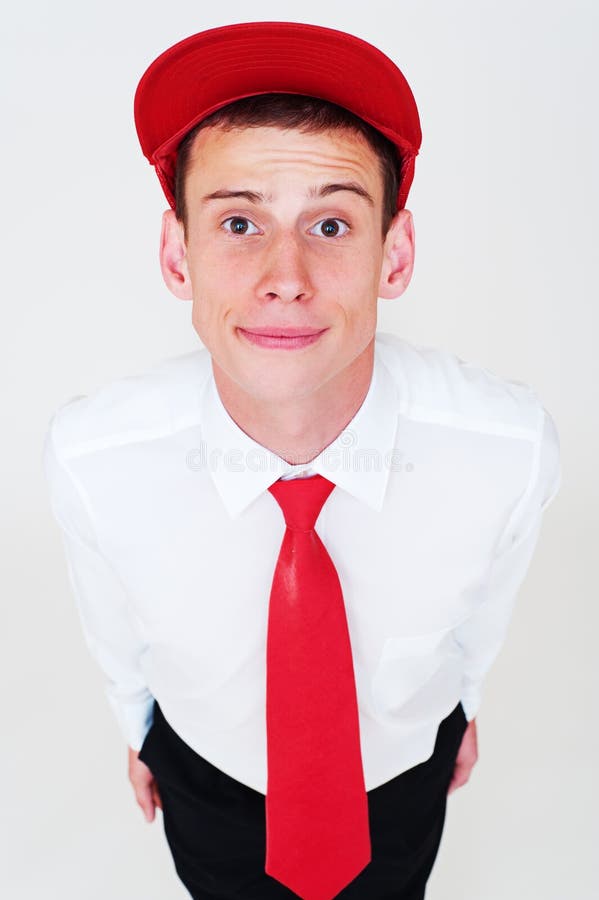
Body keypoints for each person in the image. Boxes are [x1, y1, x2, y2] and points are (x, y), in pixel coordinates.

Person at [42, 20, 561, 900]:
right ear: (177, 256)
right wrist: (139, 730)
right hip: (205, 773)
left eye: (329, 222)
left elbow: (485, 608)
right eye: (238, 221)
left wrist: (459, 707)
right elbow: (114, 623)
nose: (285, 275)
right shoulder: (93, 456)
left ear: (393, 255)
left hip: (399, 778)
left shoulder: (506, 449)